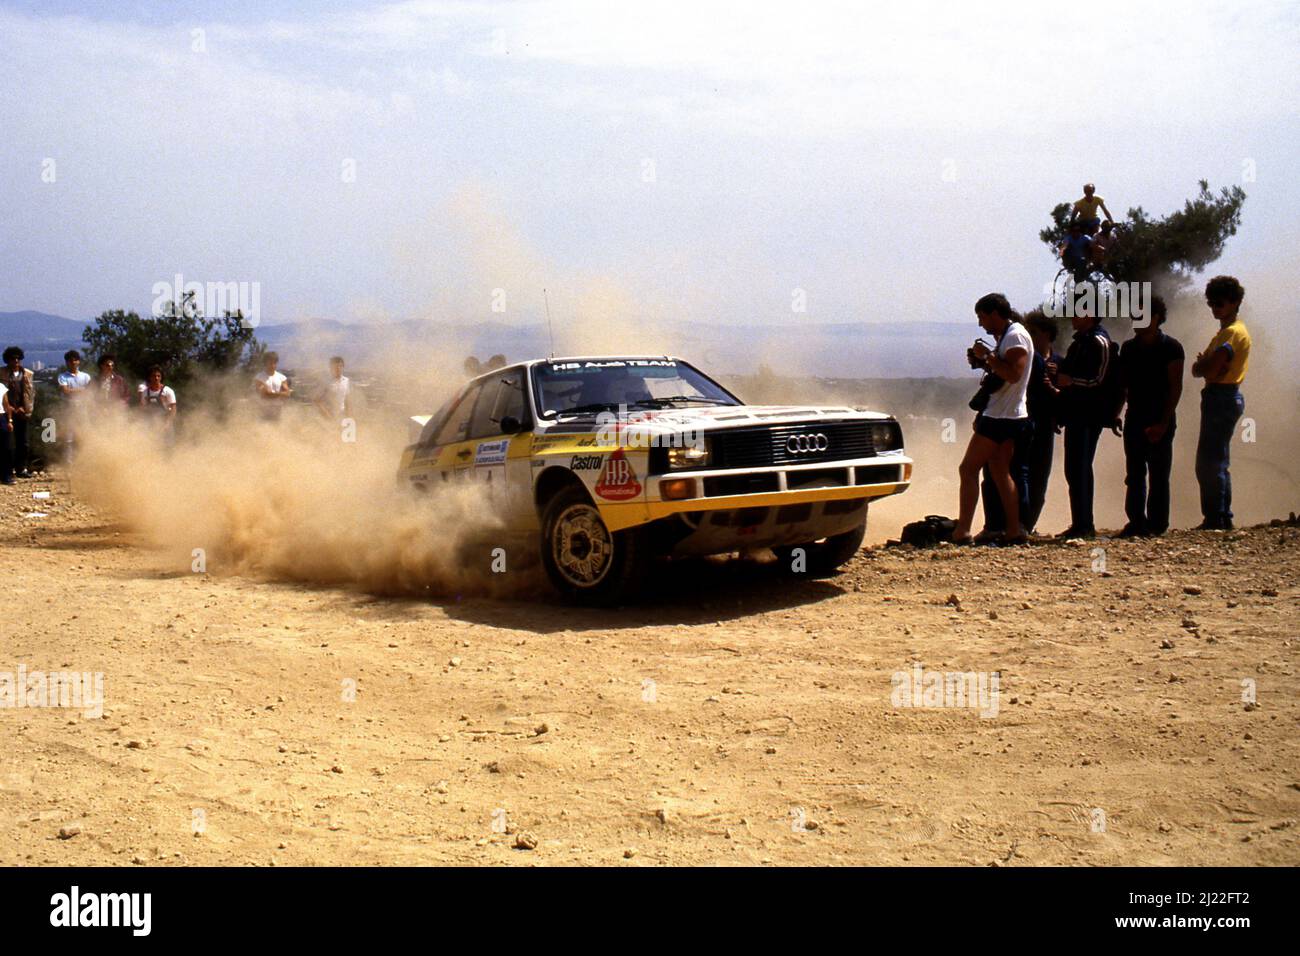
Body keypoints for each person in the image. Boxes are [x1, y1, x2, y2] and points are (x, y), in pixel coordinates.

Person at [952, 293, 1032, 546]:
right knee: (1000, 472)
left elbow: (1013, 374)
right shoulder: (1009, 336)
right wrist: (985, 362)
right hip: (1010, 415)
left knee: (968, 469)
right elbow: (1004, 373)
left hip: (1000, 417)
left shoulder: (1015, 336)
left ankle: (963, 530)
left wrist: (987, 357)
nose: (981, 324)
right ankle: (1013, 530)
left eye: (982, 317)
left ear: (994, 313)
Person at [1117, 296, 1184, 537]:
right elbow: (1123, 386)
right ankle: (1136, 522)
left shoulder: (1172, 348)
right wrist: (1116, 413)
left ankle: (1157, 525)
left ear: (1156, 318)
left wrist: (1164, 422)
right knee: (1134, 473)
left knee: (1159, 473)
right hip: (1134, 417)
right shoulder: (1129, 348)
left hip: (1160, 417)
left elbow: (1175, 386)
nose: (1136, 319)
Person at [1191, 275, 1250, 530]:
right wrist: (1204, 366)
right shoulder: (1227, 333)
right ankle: (1220, 516)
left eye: (1220, 303)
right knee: (1216, 459)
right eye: (1211, 304)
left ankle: (1216, 517)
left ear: (1235, 302)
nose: (1215, 308)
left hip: (1221, 396)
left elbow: (1209, 369)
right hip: (1222, 395)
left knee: (1210, 461)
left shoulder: (1232, 334)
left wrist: (1203, 364)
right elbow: (1203, 368)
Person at [1055, 305, 1117, 539]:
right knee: (1074, 469)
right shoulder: (1080, 342)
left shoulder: (1099, 342)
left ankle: (1084, 524)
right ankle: (1080, 522)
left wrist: (1071, 381)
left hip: (1089, 414)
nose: (1072, 317)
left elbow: (1099, 380)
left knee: (1080, 467)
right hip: (1075, 413)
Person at [3, 346, 35, 478]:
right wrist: (7, 407)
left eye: (18, 358)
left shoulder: (28, 374)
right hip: (6, 412)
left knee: (24, 442)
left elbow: (31, 394)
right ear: (7, 360)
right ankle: (7, 470)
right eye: (12, 358)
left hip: (22, 412)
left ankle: (21, 468)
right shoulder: (2, 373)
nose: (16, 361)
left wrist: (26, 408)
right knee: (8, 443)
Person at [57, 349, 92, 462]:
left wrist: (73, 390)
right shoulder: (63, 376)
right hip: (69, 410)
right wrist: (82, 390)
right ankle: (69, 463)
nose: (73, 363)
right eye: (70, 361)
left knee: (85, 435)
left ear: (79, 362)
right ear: (67, 362)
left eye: (75, 360)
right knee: (69, 438)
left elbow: (90, 391)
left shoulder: (86, 376)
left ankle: (85, 460)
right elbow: (65, 391)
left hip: (83, 410)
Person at [138, 366, 178, 436]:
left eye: (158, 376)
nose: (156, 378)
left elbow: (173, 409)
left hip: (165, 422)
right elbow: (142, 409)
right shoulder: (145, 392)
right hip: (151, 424)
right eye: (154, 376)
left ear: (161, 377)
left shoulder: (168, 391)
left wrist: (167, 423)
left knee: (168, 446)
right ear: (150, 377)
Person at [254, 352, 292, 421]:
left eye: (275, 363)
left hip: (278, 410)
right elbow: (265, 395)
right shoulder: (259, 377)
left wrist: (272, 394)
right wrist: (281, 394)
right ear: (265, 363)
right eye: (270, 363)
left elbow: (287, 394)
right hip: (264, 411)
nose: (273, 365)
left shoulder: (282, 377)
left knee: (278, 430)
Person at [315, 356, 352, 423]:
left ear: (343, 367)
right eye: (335, 367)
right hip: (328, 417)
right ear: (331, 368)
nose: (338, 369)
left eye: (340, 366)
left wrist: (348, 416)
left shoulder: (346, 380)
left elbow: (347, 399)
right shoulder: (326, 381)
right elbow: (317, 400)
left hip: (342, 416)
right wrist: (327, 415)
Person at [0, 377, 13, 484]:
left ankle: (6, 476)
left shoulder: (1, 387)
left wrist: (9, 420)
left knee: (6, 448)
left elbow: (6, 405)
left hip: (1, 418)